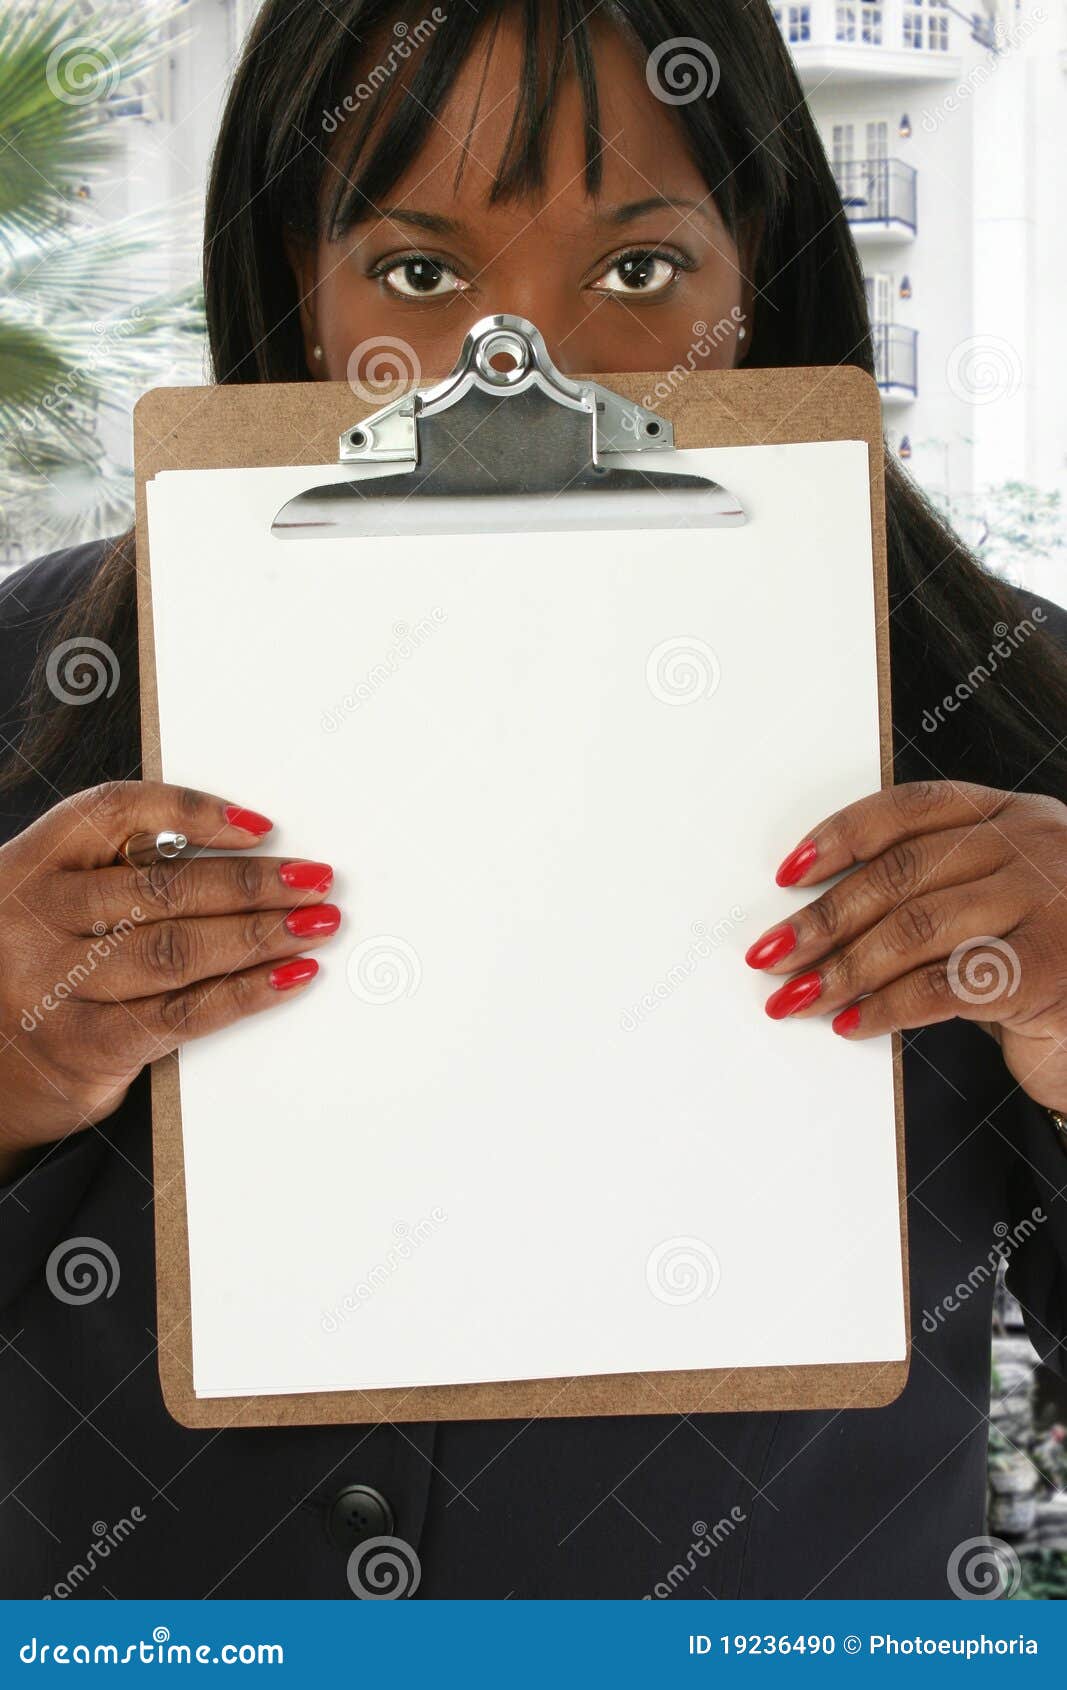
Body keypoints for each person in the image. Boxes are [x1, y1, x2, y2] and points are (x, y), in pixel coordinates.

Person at [2, 0, 1066, 1601]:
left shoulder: (1005, 714)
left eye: (639, 271)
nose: (527, 367)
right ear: (296, 284)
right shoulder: (29, 681)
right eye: (419, 275)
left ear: (756, 277)